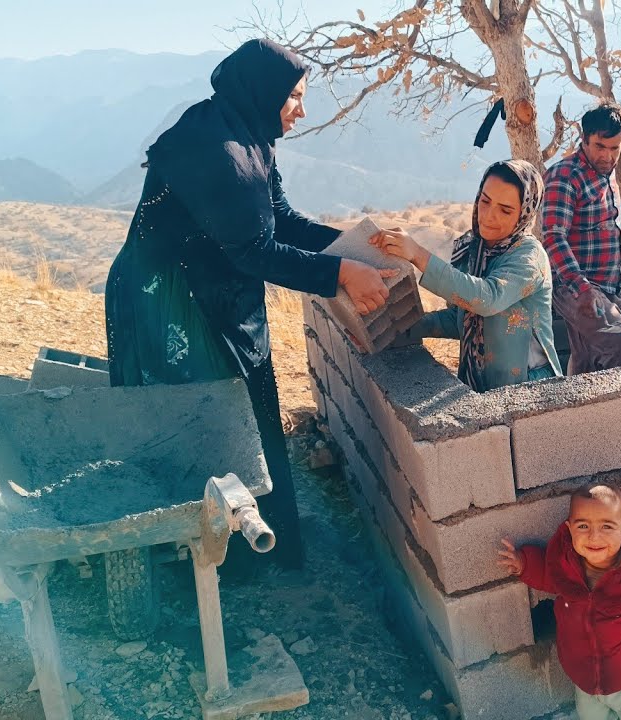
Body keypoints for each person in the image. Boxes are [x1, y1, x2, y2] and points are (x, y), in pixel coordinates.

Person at [104, 38, 392, 570]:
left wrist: (353, 246)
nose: (302, 110)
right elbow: (256, 250)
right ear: (263, 92)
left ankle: (254, 538)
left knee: (242, 411)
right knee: (206, 419)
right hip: (171, 299)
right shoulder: (217, 151)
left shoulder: (250, 133)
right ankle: (206, 554)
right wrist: (341, 273)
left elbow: (279, 218)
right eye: (295, 97)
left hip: (213, 285)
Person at [498, 484, 621, 720]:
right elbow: (547, 572)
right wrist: (524, 563)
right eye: (583, 526)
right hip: (585, 678)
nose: (594, 536)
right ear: (570, 529)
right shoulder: (566, 564)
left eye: (607, 526)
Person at [370, 159, 562, 391]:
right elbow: (459, 318)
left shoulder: (529, 257)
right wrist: (393, 331)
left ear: (525, 213)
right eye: (485, 201)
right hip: (479, 384)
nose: (489, 216)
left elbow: (486, 299)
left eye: (505, 210)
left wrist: (418, 254)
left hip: (528, 389)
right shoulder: (472, 249)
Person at [542, 103, 621, 374]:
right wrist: (582, 288)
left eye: (615, 148)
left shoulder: (606, 176)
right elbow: (552, 237)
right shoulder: (565, 175)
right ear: (583, 140)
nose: (608, 156)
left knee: (585, 360)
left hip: (608, 286)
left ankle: (576, 416)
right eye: (599, 146)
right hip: (575, 288)